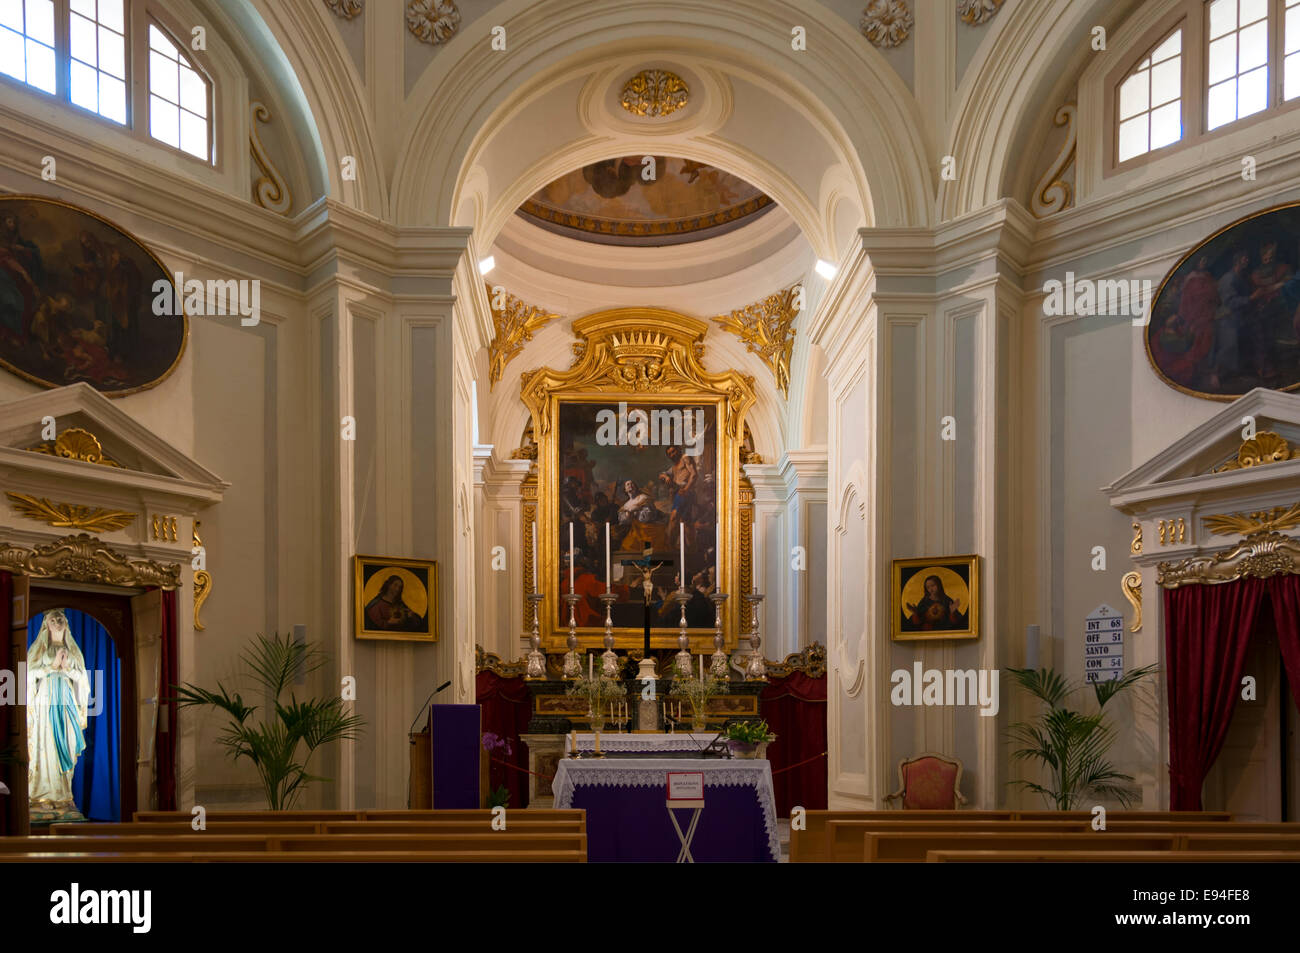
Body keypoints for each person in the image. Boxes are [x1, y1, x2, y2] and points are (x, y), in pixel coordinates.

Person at [27, 610, 90, 822]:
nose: (57, 622)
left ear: (66, 623)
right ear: (46, 624)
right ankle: (41, 797)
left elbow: (82, 679)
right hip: (45, 702)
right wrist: (50, 667)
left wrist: (66, 668)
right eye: (53, 619)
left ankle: (63, 797)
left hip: (66, 702)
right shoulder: (40, 648)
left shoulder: (72, 650)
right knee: (45, 745)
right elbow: (28, 674)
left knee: (68, 742)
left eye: (60, 619)